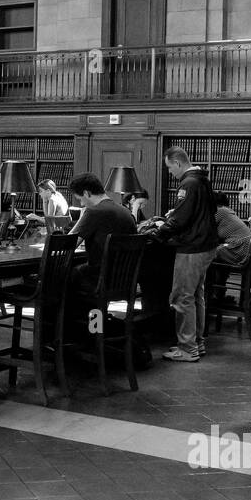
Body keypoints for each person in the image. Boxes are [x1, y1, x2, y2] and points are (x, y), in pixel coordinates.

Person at [141, 148, 222, 362]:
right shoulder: (203, 180)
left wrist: (158, 232)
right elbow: (207, 210)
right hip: (207, 244)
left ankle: (187, 349)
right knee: (196, 296)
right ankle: (198, 343)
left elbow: (180, 220)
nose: (170, 172)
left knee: (182, 297)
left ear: (177, 163)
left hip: (192, 247)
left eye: (169, 167)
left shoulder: (188, 183)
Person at [64, 172, 137, 334]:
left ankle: (72, 334)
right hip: (123, 280)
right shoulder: (126, 213)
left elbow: (68, 244)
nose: (82, 204)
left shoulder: (95, 212)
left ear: (86, 193)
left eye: (81, 199)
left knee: (58, 279)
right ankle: (95, 329)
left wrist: (84, 216)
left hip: (99, 280)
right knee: (78, 273)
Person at [212, 190, 251, 267]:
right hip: (246, 247)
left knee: (207, 254)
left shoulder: (220, 211)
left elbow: (205, 228)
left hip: (239, 248)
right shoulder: (228, 211)